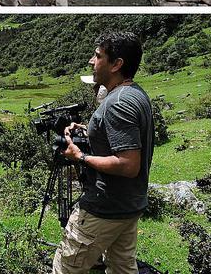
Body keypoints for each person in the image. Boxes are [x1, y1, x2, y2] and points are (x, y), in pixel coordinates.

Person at [55, 31, 153, 274]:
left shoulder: (118, 103)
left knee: (66, 267)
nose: (91, 61)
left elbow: (128, 164)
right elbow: (122, 140)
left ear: (116, 64)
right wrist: (89, 131)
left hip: (104, 206)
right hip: (128, 205)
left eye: (98, 56)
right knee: (122, 268)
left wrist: (80, 157)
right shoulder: (135, 94)